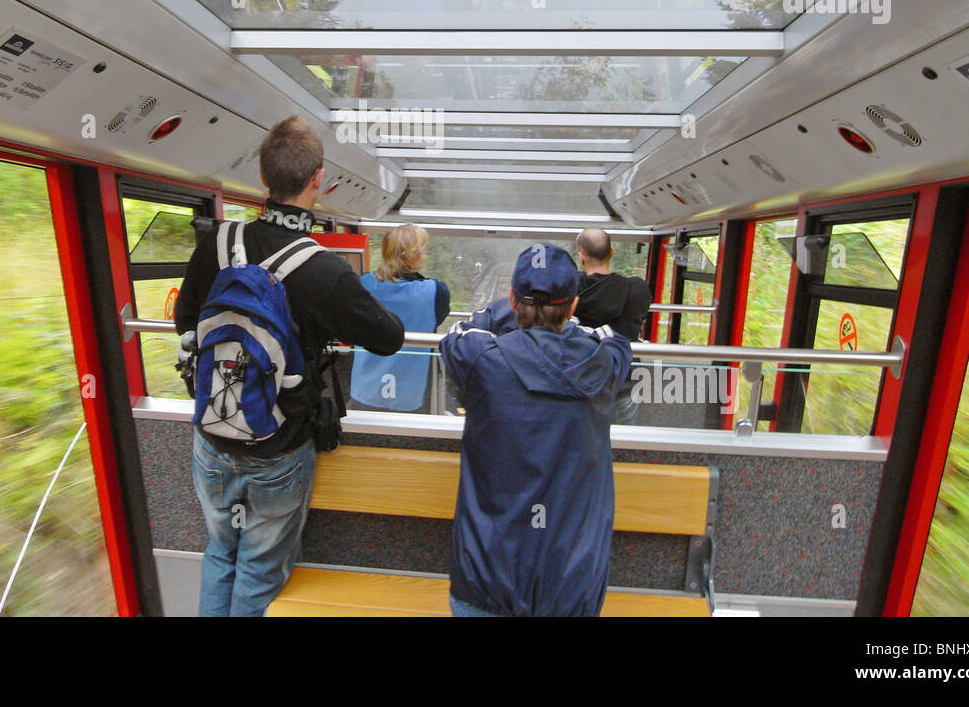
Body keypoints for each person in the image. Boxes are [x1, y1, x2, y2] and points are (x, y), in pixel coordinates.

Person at [174, 116, 405, 617]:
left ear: (263, 177)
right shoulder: (322, 270)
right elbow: (389, 338)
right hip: (278, 448)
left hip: (212, 434)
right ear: (318, 180)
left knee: (220, 555)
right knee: (259, 569)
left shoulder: (215, 244)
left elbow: (185, 322)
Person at [439, 244, 633, 617]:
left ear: (513, 299)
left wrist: (510, 309)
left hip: (485, 580)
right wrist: (562, 323)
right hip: (571, 590)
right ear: (573, 305)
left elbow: (458, 333)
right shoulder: (603, 361)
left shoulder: (482, 360)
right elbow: (614, 339)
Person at [349, 224, 450, 412]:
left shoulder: (363, 284)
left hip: (365, 389)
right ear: (412, 255)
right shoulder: (435, 291)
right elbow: (439, 317)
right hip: (412, 391)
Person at [574, 228, 654, 424]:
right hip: (623, 383)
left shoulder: (569, 287)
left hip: (579, 382)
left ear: (581, 256)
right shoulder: (637, 289)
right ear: (611, 251)